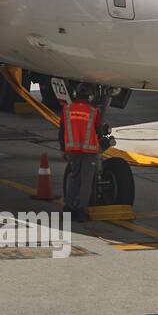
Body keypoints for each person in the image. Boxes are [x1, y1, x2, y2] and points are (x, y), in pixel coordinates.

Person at [61, 85, 102, 223]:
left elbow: (62, 130)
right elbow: (99, 130)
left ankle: (68, 208)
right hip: (89, 151)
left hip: (73, 150)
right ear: (90, 96)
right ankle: (81, 211)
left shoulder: (67, 109)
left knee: (74, 178)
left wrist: (63, 149)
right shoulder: (93, 111)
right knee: (86, 182)